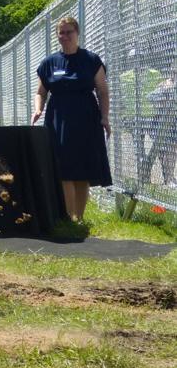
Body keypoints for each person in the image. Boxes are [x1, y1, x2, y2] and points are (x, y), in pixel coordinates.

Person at [32, 16, 112, 222]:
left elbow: (102, 91)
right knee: (63, 167)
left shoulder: (91, 60)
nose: (65, 36)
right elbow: (41, 92)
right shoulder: (49, 63)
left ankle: (79, 216)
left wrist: (105, 117)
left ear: (77, 33)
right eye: (62, 32)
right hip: (58, 119)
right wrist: (38, 109)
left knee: (82, 168)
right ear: (57, 35)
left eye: (69, 32)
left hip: (86, 118)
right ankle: (68, 217)